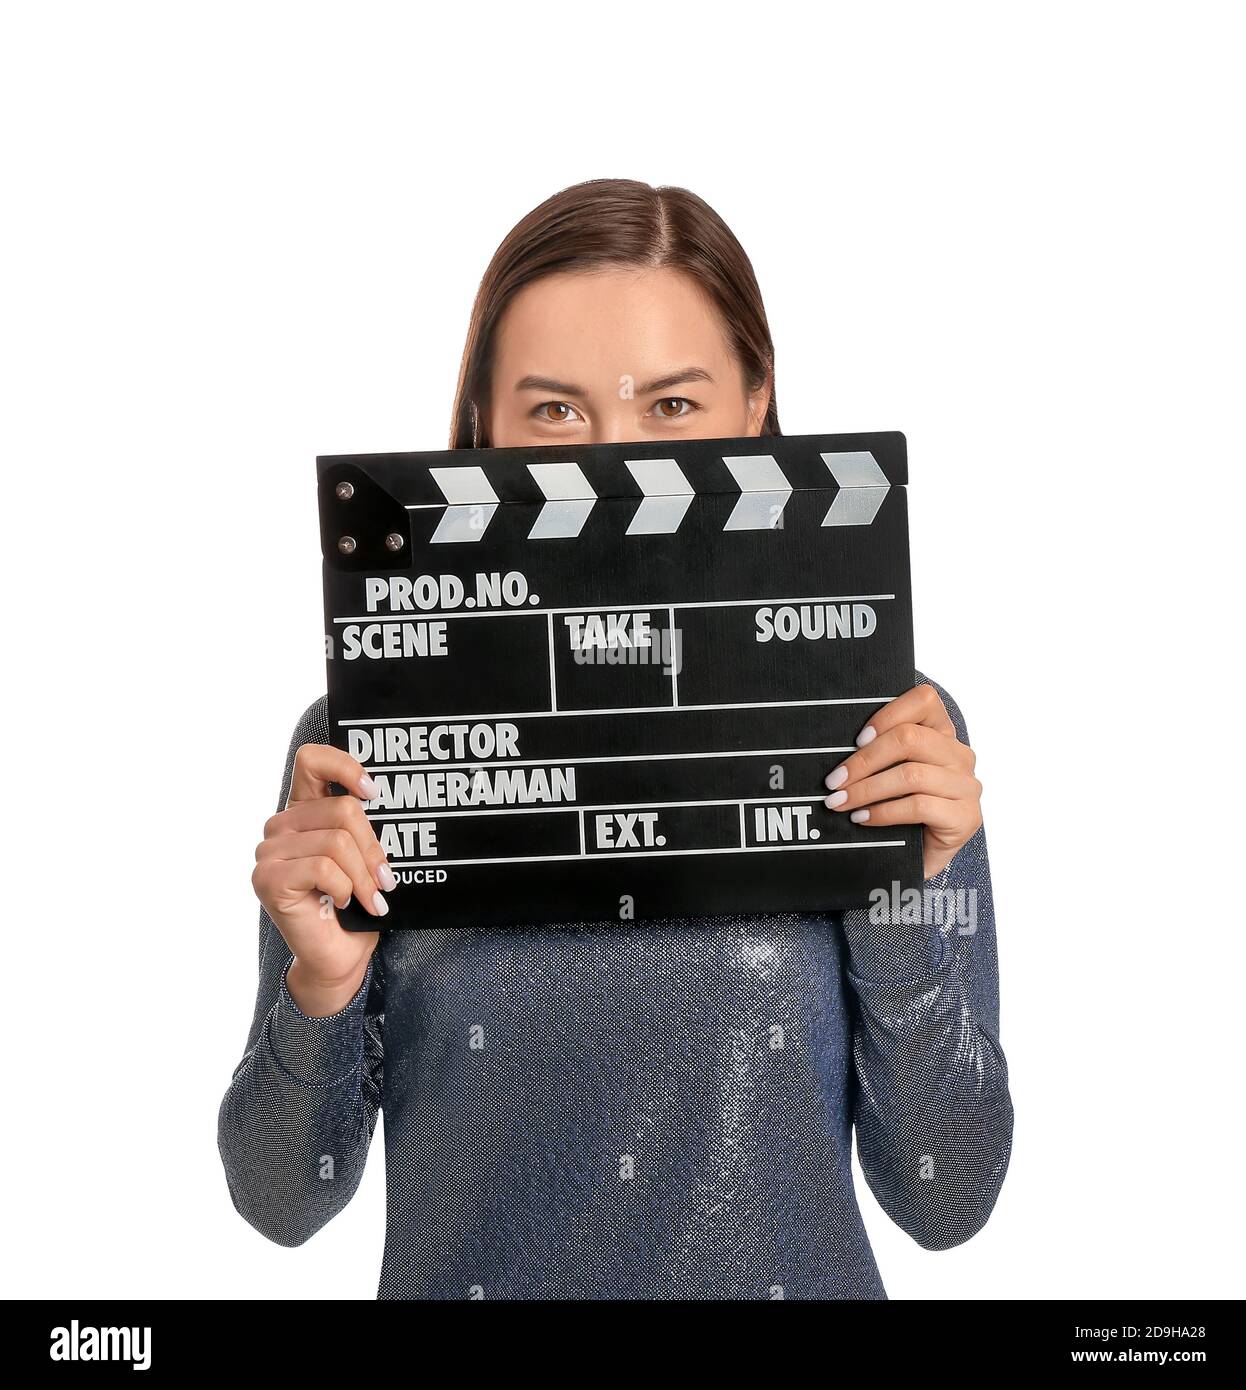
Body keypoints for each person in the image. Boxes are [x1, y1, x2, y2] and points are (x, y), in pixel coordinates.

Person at [218, 178, 1013, 1299]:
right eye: (554, 411)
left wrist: (900, 900)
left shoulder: (889, 734)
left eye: (672, 407)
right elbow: (279, 1201)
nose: (609, 462)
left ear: (754, 406)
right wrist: (321, 984)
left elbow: (946, 1199)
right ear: (481, 429)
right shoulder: (359, 742)